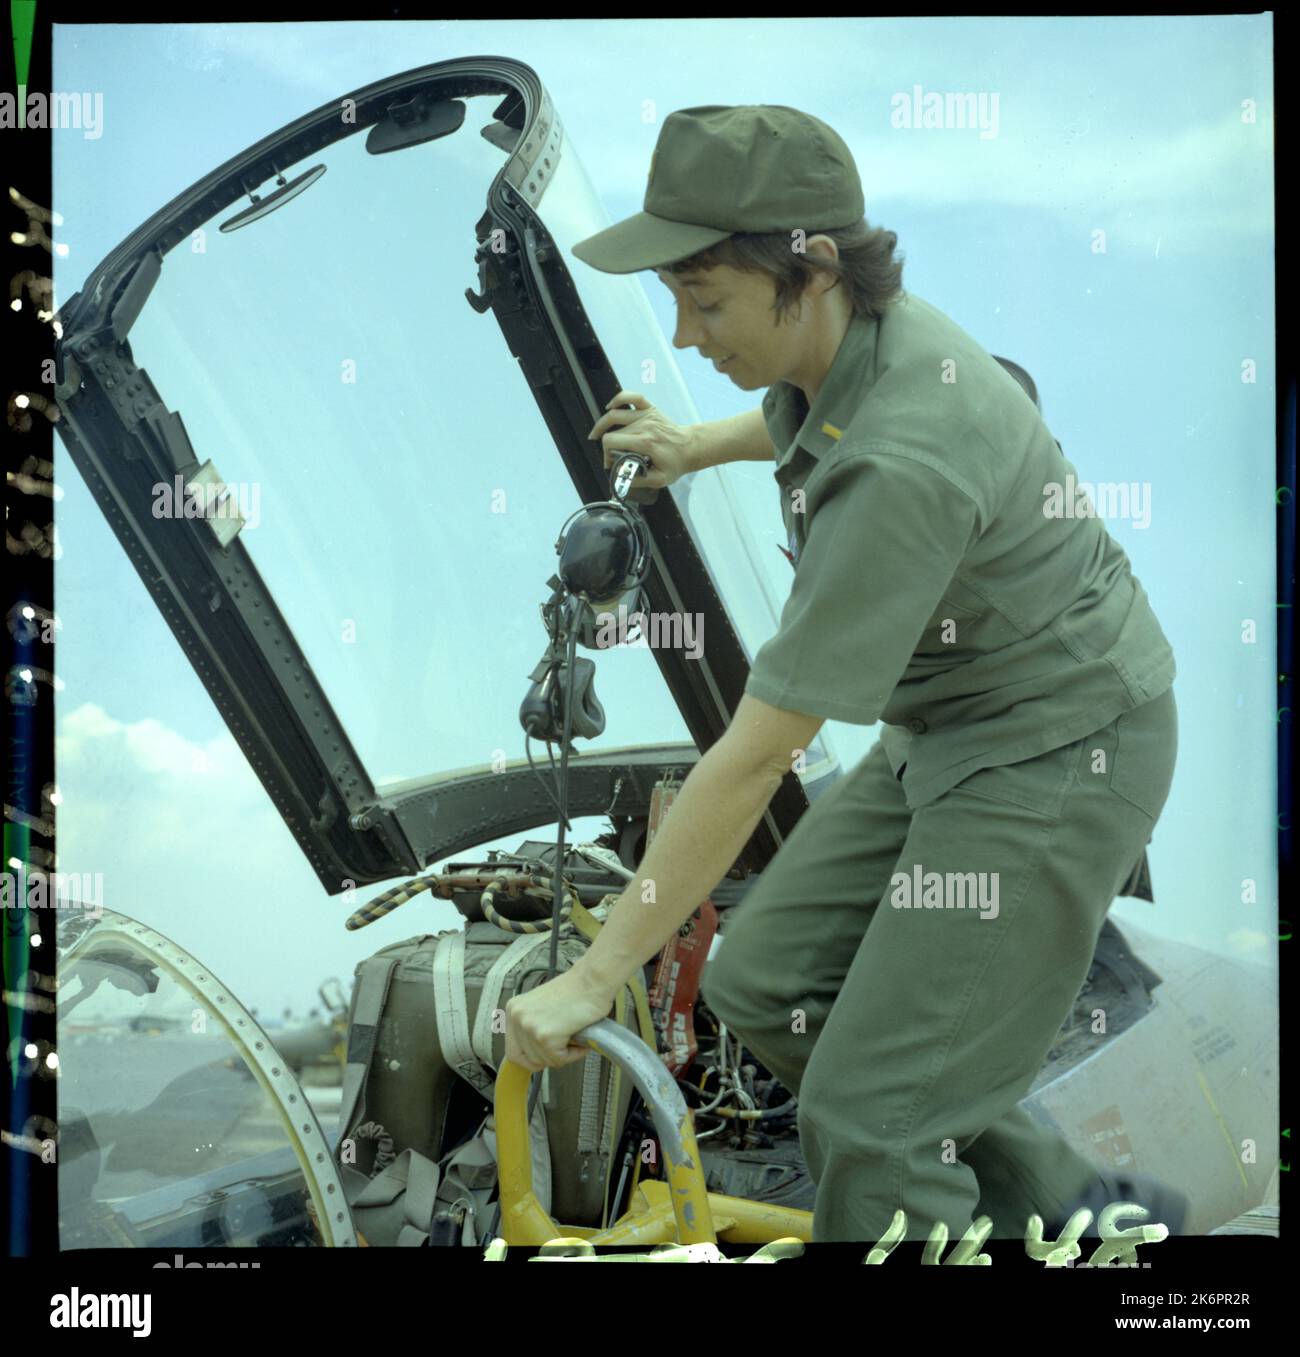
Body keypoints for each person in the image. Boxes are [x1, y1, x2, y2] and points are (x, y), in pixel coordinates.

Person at [504, 104, 1183, 1243]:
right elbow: (807, 415)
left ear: (808, 269)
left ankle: (931, 1181)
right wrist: (693, 444)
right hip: (948, 726)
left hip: (1060, 744)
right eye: (678, 296)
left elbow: (758, 749)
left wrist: (596, 971)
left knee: (871, 1120)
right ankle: (1069, 1206)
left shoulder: (905, 456)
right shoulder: (858, 345)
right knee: (759, 982)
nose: (684, 331)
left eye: (706, 300)